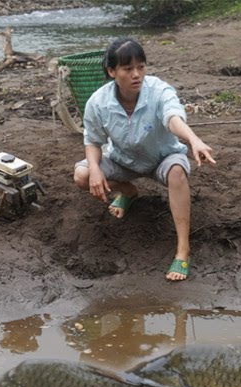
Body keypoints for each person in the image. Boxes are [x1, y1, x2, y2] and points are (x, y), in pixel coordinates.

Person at [73, 38, 215, 282]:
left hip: (162, 159)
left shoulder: (159, 91)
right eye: (128, 69)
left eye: (141, 67)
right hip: (122, 161)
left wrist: (193, 140)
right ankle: (128, 191)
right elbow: (93, 141)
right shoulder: (98, 102)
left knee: (177, 171)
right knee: (83, 175)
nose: (136, 74)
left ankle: (183, 249)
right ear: (112, 71)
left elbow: (173, 117)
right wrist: (95, 168)